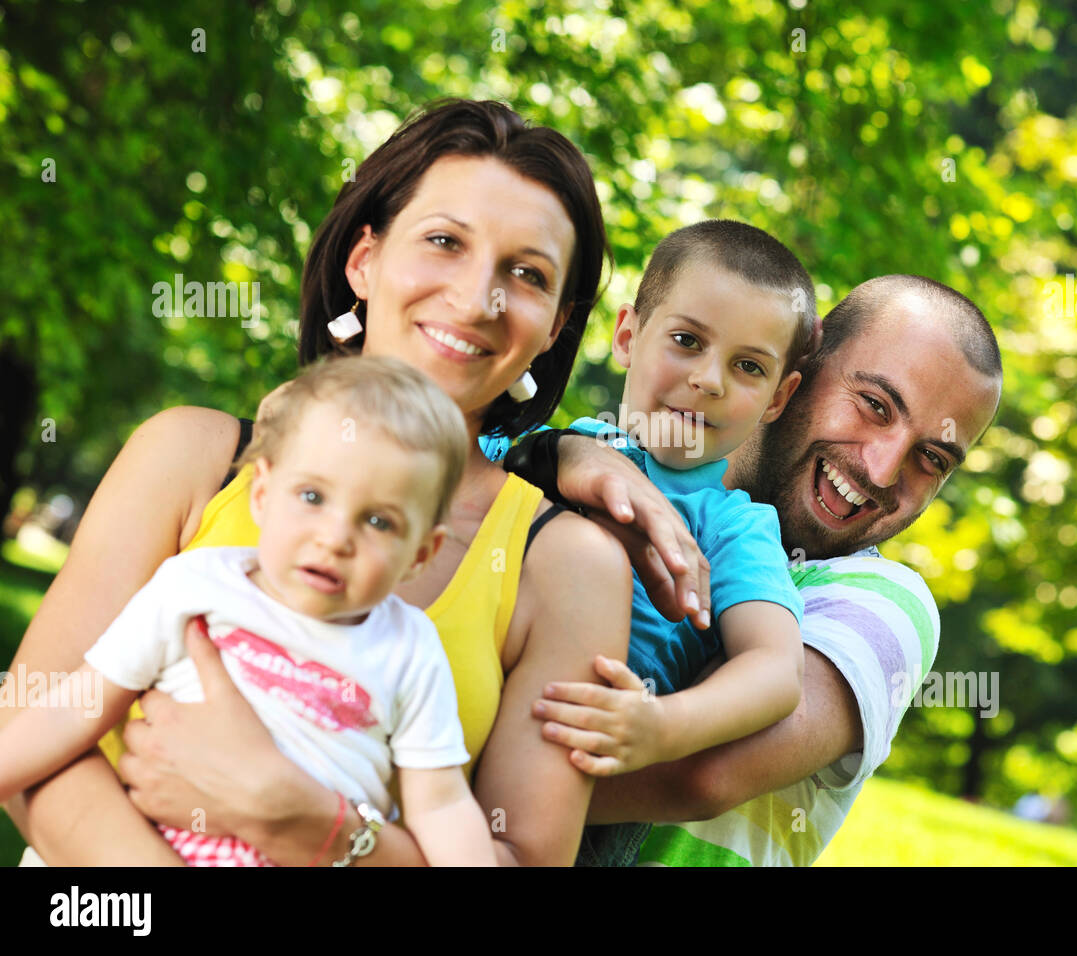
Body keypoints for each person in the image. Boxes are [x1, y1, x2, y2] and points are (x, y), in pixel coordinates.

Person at [0, 99, 634, 866]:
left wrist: (304, 819)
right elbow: (33, 728)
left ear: (556, 325)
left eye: (525, 274)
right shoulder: (191, 457)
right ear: (363, 260)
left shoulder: (566, 566)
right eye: (443, 242)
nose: (476, 300)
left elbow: (522, 858)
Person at [522, 274, 1005, 865]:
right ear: (799, 371)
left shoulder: (884, 604)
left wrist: (448, 771)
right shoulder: (613, 463)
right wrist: (563, 453)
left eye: (931, 458)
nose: (881, 472)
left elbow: (701, 773)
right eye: (875, 406)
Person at [0, 356, 499, 866]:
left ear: (420, 553)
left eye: (378, 521)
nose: (335, 538)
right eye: (312, 495)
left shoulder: (409, 647)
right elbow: (75, 707)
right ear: (262, 494)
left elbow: (440, 805)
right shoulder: (197, 585)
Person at [526, 220, 817, 865]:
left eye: (748, 367)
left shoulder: (733, 526)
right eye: (686, 341)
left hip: (574, 807)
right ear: (627, 333)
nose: (709, 380)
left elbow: (774, 671)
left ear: (779, 397)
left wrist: (660, 728)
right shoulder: (544, 446)